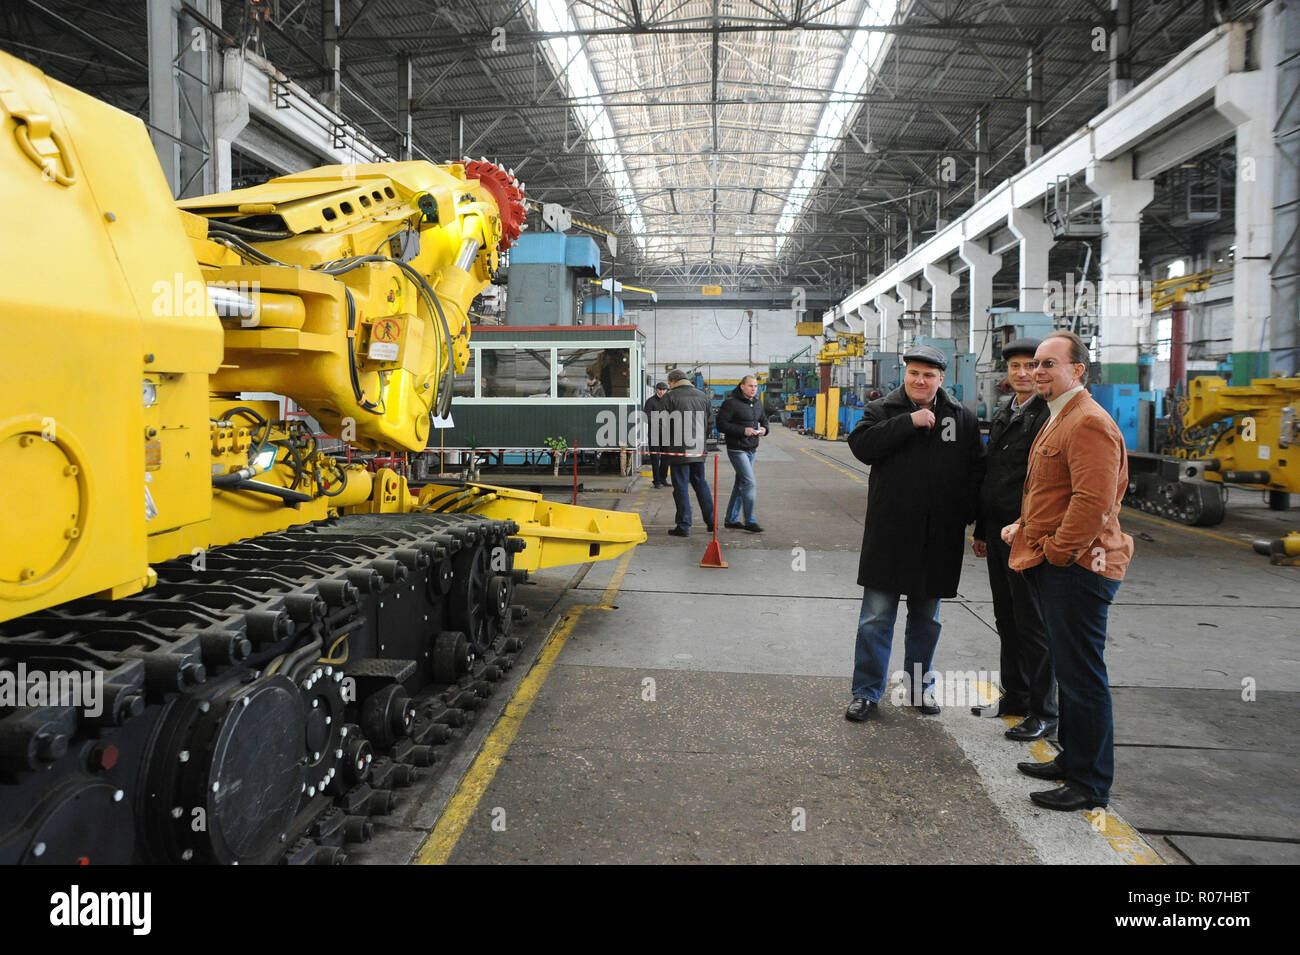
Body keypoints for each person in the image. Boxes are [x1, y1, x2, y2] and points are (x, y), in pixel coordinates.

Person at [1003, 330, 1133, 812]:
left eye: (1049, 364)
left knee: (1082, 677)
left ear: (1078, 370)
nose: (1037, 371)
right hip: (1058, 560)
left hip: (1079, 567)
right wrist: (1024, 525)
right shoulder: (1060, 416)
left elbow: (1094, 500)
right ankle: (1073, 760)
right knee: (1069, 669)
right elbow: (1055, 491)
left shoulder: (1088, 422)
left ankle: (1090, 783)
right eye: (1035, 363)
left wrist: (1058, 550)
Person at [844, 345, 985, 720]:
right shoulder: (882, 410)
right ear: (904, 376)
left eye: (929, 375)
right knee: (876, 619)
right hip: (890, 534)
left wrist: (965, 517)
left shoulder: (962, 418)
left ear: (941, 380)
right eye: (914, 374)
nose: (920, 381)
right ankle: (866, 693)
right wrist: (909, 422)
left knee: (927, 620)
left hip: (938, 538)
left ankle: (919, 690)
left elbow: (976, 472)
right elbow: (861, 447)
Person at [970, 338, 1057, 741]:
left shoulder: (1046, 415)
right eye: (1015, 367)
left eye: (1031, 365)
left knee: (1032, 622)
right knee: (1006, 616)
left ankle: (1044, 709)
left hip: (1029, 532)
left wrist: (1029, 527)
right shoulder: (1009, 410)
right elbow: (995, 473)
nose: (1022, 373)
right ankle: (1016, 694)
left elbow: (1047, 482)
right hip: (998, 529)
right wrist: (982, 529)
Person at [660, 369, 714, 537]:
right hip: (698, 449)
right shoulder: (702, 396)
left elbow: (660, 424)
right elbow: (710, 423)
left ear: (672, 381)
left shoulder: (669, 397)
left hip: (679, 450)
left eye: (669, 384)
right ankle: (711, 521)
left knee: (681, 487)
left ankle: (683, 525)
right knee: (701, 484)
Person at [716, 374, 767, 532]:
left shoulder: (757, 403)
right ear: (742, 386)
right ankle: (750, 520)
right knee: (749, 482)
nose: (753, 389)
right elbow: (721, 424)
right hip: (737, 449)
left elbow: (764, 420)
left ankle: (731, 519)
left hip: (751, 449)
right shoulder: (730, 403)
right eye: (751, 386)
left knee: (741, 484)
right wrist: (742, 430)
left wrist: (765, 429)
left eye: (756, 386)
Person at [643, 381, 670, 488]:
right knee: (655, 458)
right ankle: (657, 481)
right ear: (656, 390)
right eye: (660, 389)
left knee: (666, 458)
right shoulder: (650, 401)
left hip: (667, 434)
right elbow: (646, 417)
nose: (662, 392)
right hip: (654, 434)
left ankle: (663, 479)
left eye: (664, 390)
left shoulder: (669, 401)